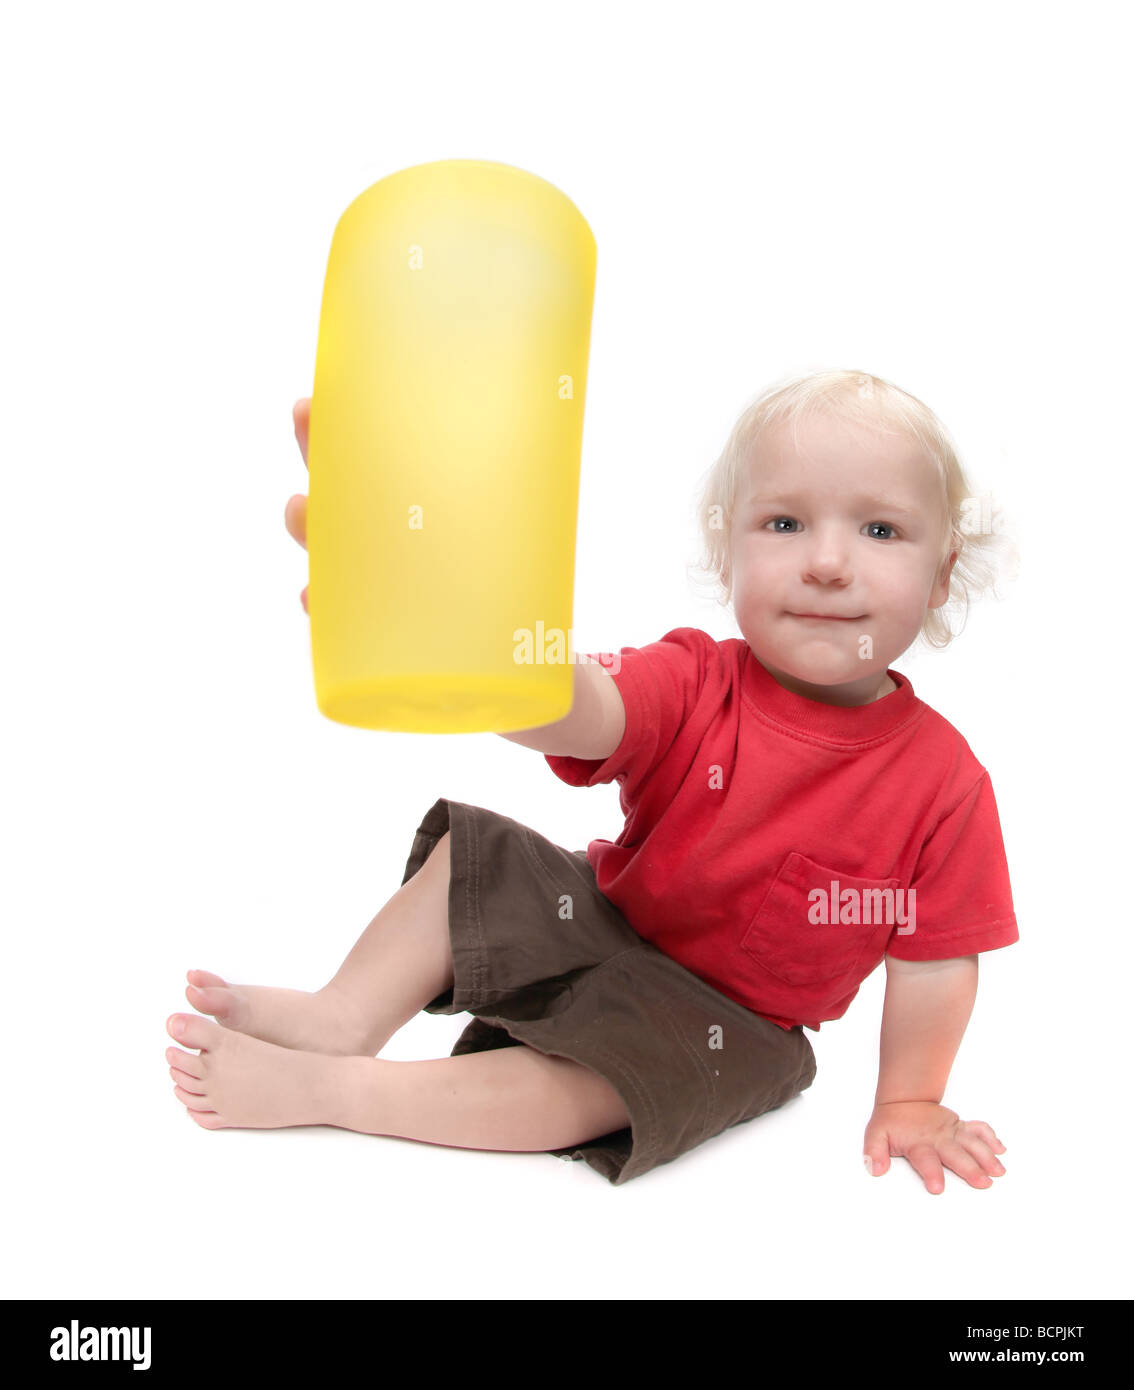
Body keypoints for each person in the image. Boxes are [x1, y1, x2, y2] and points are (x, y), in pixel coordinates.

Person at [164, 368, 1017, 1192]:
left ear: (942, 573)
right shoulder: (696, 677)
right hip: (600, 922)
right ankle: (342, 1017)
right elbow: (583, 710)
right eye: (784, 523)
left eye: (880, 531)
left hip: (733, 1027)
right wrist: (472, 638)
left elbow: (935, 964)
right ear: (727, 554)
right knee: (475, 855)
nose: (827, 561)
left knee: (607, 1083)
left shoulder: (946, 783)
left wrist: (911, 1100)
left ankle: (342, 1093)